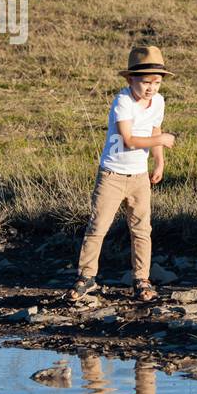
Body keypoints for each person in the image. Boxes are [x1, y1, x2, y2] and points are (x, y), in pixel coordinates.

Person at [69, 45, 176, 303]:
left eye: (157, 82)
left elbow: (154, 130)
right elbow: (127, 139)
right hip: (112, 175)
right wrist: (161, 139)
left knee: (141, 229)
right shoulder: (123, 101)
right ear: (130, 79)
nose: (151, 88)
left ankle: (141, 279)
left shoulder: (158, 102)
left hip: (139, 177)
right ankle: (86, 277)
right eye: (145, 82)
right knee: (98, 226)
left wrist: (159, 161)